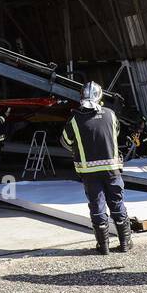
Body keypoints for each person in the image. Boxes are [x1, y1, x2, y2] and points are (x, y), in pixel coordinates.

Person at [61, 81, 131, 254]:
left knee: (97, 205)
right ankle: (124, 243)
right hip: (112, 169)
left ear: (82, 96)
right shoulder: (111, 114)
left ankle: (103, 246)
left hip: (89, 172)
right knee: (117, 203)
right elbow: (115, 134)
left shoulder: (75, 119)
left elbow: (66, 142)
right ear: (100, 97)